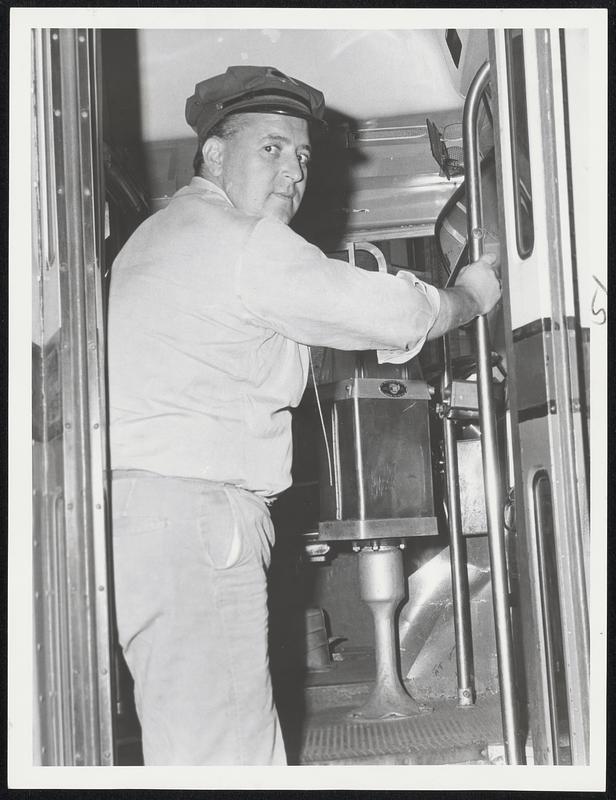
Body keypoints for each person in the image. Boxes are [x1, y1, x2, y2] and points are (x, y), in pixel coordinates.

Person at [107, 65, 501, 766]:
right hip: (199, 520)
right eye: (271, 148)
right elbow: (386, 311)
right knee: (228, 751)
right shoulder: (238, 239)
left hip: (145, 519)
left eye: (303, 156)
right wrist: (469, 295)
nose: (293, 171)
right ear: (214, 154)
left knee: (188, 739)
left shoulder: (155, 236)